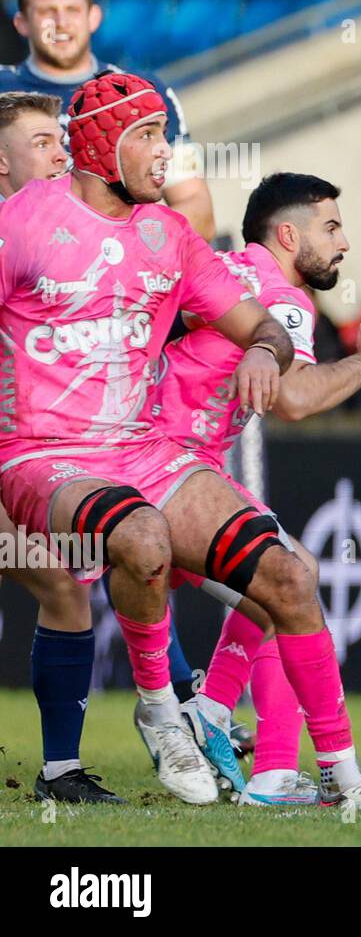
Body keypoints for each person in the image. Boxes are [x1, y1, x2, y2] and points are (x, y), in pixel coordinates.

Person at [0, 72, 361, 813]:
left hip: (144, 449)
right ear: (102, 145)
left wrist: (267, 350)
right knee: (138, 535)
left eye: (165, 136)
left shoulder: (170, 236)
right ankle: (164, 712)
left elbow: (260, 325)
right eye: (147, 138)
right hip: (44, 452)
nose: (165, 155)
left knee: (290, 577)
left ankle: (344, 780)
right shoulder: (22, 222)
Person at [149, 173, 361, 806]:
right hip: (165, 468)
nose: (343, 243)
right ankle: (317, 774)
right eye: (331, 228)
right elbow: (293, 397)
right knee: (291, 580)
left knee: (280, 587)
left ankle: (237, 738)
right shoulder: (282, 296)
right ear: (288, 235)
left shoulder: (227, 268)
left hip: (152, 459)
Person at [0, 91, 126, 803]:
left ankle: (59, 771)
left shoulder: (71, 239)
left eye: (62, 142)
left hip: (25, 459)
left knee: (62, 584)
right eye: (44, 142)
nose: (61, 155)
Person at [0, 0, 215, 239]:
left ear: (94, 17)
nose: (61, 22)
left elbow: (197, 208)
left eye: (72, 10)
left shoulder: (141, 92)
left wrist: (120, 246)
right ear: (21, 23)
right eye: (46, 12)